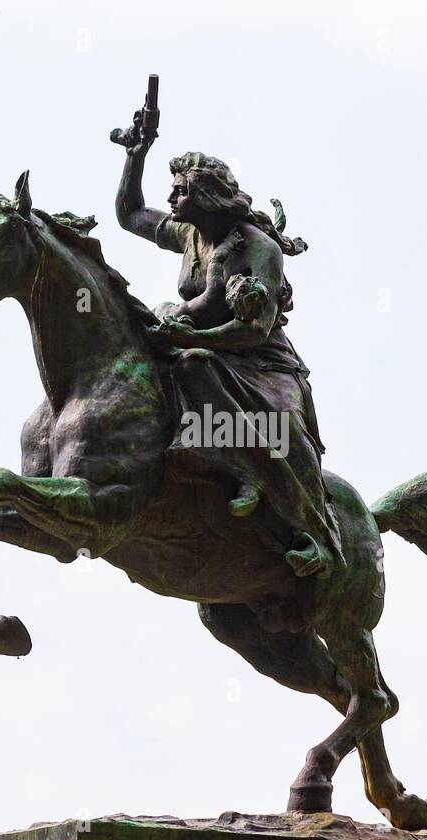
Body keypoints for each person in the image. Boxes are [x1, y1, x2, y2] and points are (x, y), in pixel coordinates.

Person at [114, 124, 344, 578]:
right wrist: (135, 156)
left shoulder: (259, 248)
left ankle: (319, 533)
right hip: (196, 342)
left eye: (181, 190)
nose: (171, 197)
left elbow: (254, 330)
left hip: (259, 358)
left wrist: (192, 338)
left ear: (207, 196)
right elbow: (130, 213)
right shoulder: (189, 233)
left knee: (280, 428)